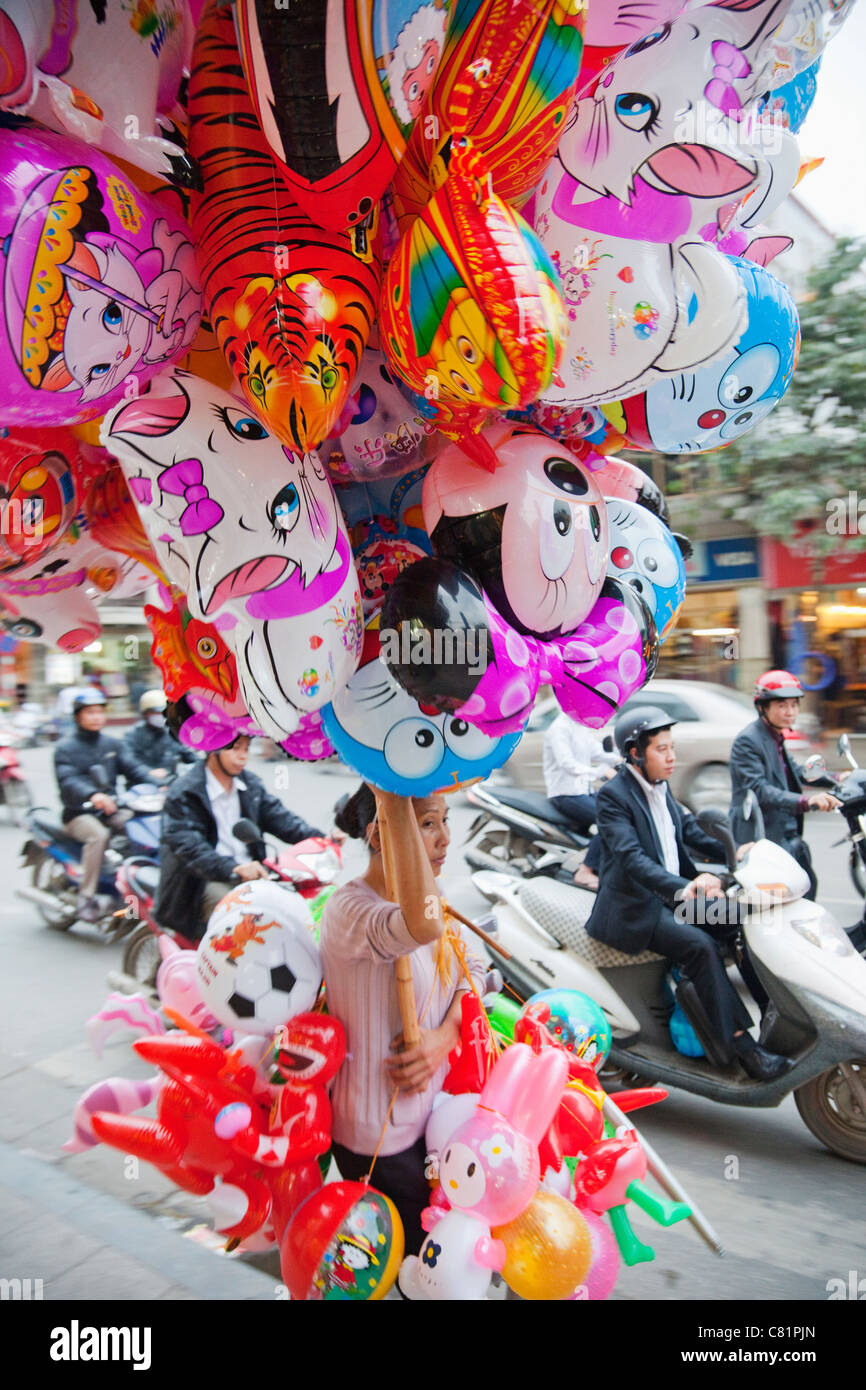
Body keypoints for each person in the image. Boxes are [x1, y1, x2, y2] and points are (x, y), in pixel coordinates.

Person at [318, 783, 488, 1260]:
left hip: (436, 1120)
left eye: (445, 821)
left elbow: (474, 970)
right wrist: (389, 789)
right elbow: (421, 928)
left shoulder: (430, 896)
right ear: (381, 834)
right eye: (428, 824)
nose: (445, 840)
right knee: (420, 1268)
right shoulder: (350, 911)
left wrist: (444, 1036)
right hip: (379, 1137)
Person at [586, 706, 793, 1081]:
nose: (671, 757)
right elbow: (632, 859)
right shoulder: (613, 797)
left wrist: (738, 852)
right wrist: (686, 889)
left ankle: (773, 1014)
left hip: (672, 900)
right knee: (700, 946)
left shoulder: (661, 789)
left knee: (737, 921)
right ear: (635, 753)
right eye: (661, 749)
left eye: (672, 747)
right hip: (638, 909)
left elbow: (693, 834)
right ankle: (741, 1048)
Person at [155, 734, 324, 940]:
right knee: (240, 923)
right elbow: (189, 845)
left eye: (246, 748)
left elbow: (281, 819)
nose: (242, 756)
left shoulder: (250, 785)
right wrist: (233, 868)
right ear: (213, 748)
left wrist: (321, 839)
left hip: (253, 876)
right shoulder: (185, 792)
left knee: (293, 915)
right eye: (235, 748)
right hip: (202, 880)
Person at [729, 670, 841, 901]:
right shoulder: (748, 741)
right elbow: (760, 790)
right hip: (763, 836)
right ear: (763, 707)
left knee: (808, 887)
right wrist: (807, 802)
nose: (790, 711)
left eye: (794, 705)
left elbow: (795, 773)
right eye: (782, 705)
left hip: (786, 834)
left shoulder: (775, 736)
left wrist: (837, 779)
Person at [55, 690, 159, 922]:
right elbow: (68, 780)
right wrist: (93, 794)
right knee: (98, 836)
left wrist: (158, 781)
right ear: (78, 716)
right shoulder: (65, 748)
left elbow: (133, 767)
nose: (96, 717)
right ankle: (86, 896)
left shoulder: (112, 743)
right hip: (78, 813)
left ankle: (131, 886)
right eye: (90, 712)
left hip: (110, 808)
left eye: (100, 712)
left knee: (140, 826)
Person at [543, 711, 619, 890]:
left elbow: (596, 751)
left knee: (620, 809)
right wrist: (600, 772)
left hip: (584, 790)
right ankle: (585, 870)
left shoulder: (580, 725)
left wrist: (621, 759)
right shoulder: (559, 729)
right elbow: (567, 764)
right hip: (565, 794)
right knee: (610, 819)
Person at [123, 690, 199, 777]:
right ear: (145, 714)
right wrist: (149, 773)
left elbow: (189, 756)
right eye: (156, 712)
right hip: (143, 783)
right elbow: (130, 763)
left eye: (164, 712)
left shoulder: (170, 732)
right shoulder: (133, 735)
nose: (160, 716)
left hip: (171, 781)